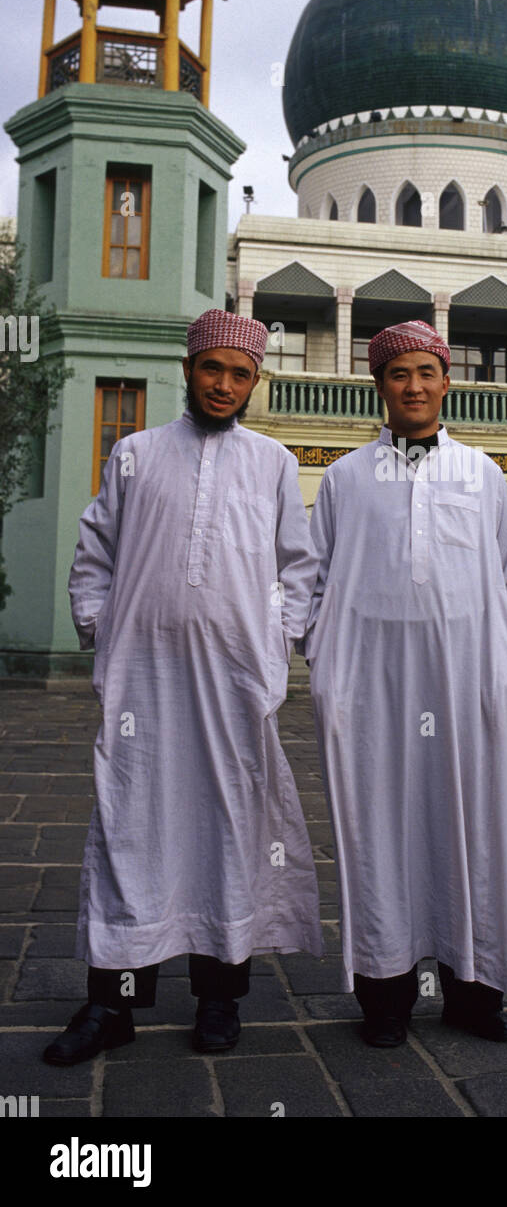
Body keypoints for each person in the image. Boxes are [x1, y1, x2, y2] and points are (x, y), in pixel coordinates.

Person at [45, 309, 323, 1066]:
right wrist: (104, 629)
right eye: (213, 369)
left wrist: (272, 647)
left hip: (233, 686)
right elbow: (94, 549)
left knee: (227, 832)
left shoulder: (271, 461)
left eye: (240, 374)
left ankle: (219, 1000)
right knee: (130, 830)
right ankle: (115, 1005)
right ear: (189, 368)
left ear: (254, 381)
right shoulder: (135, 453)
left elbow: (297, 569)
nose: (225, 384)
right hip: (144, 687)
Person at [304, 319, 507, 1047]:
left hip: (466, 686)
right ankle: (386, 996)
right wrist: (326, 659)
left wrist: (502, 651)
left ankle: (474, 992)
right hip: (371, 689)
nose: (414, 386)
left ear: (446, 380)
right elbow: (311, 580)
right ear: (380, 385)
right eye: (399, 374)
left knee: (474, 828)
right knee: (379, 832)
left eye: (427, 372)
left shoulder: (482, 474)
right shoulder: (344, 478)